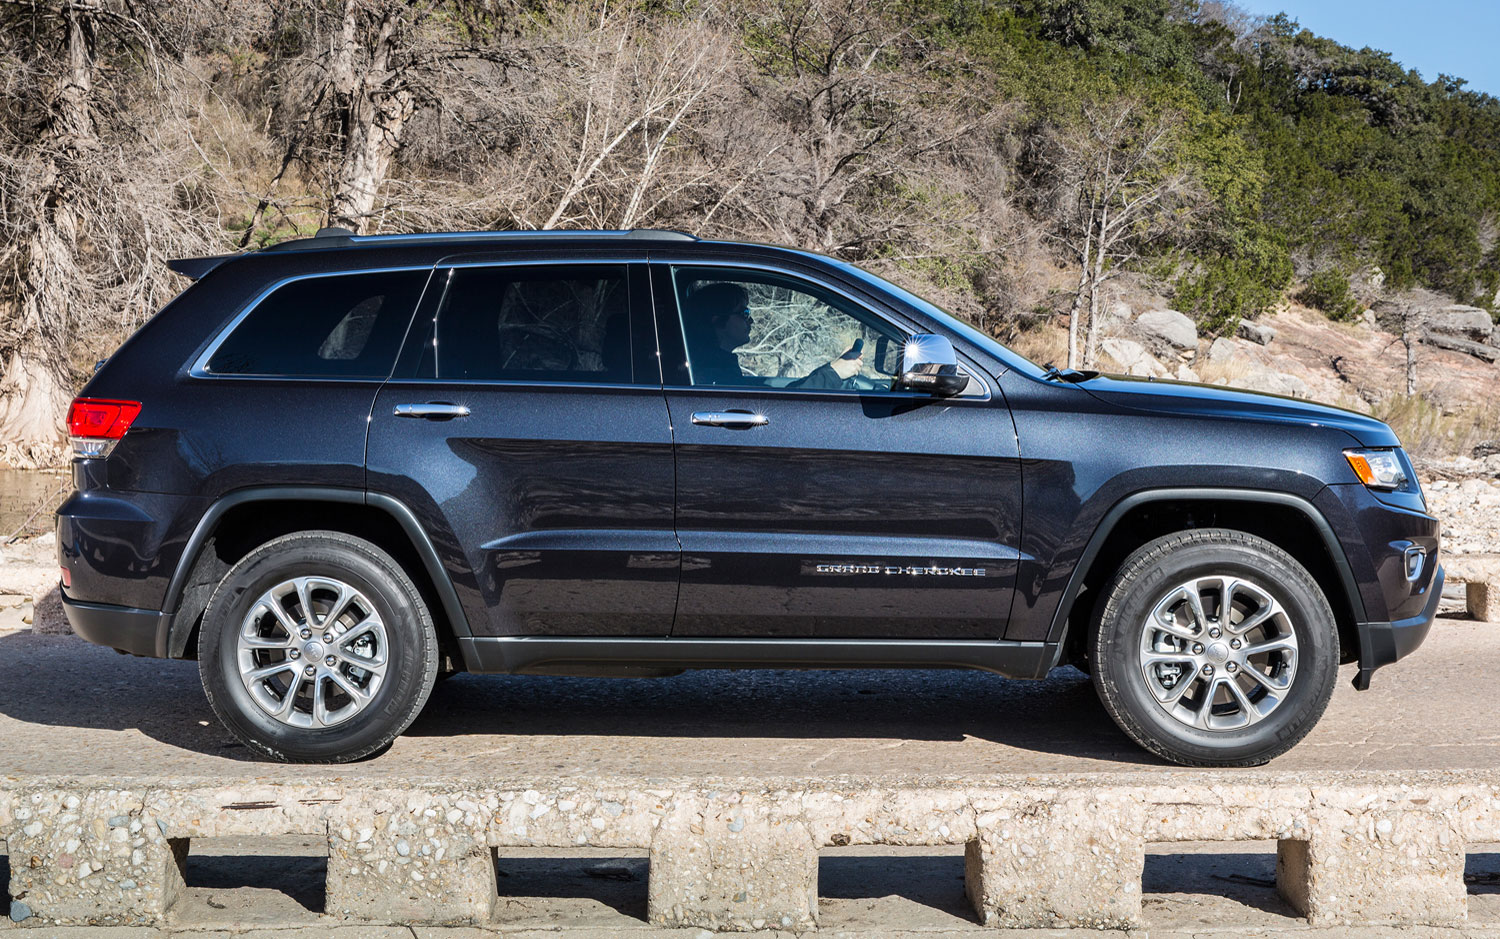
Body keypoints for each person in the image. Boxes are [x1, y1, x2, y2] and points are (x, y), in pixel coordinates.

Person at [685, 282, 863, 389]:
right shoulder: (711, 373)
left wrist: (830, 370)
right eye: (744, 313)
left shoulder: (713, 364)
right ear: (717, 320)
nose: (751, 320)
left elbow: (771, 400)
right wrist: (832, 373)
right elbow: (776, 411)